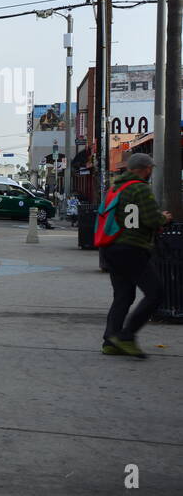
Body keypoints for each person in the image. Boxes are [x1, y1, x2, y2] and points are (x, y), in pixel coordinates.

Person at [101, 152, 172, 358]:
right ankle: (126, 336)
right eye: (150, 168)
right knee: (155, 293)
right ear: (145, 168)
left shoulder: (115, 188)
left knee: (123, 296)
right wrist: (164, 218)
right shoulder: (141, 188)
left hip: (111, 248)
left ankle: (110, 340)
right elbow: (151, 219)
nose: (150, 172)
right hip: (133, 248)